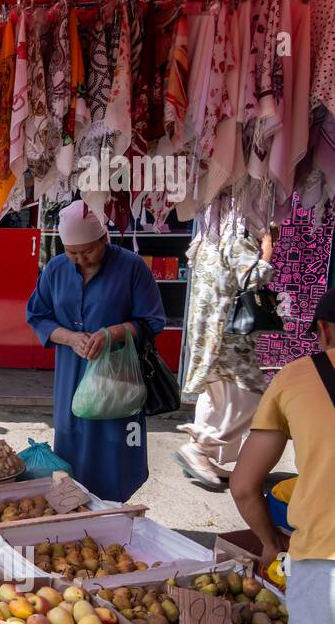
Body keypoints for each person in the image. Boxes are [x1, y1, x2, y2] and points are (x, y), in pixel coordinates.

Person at [229, 287, 335, 624]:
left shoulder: (298, 376)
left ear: (324, 330)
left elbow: (244, 485)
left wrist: (271, 544)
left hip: (325, 558)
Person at [26, 200, 166, 502]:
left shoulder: (131, 267)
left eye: (87, 251)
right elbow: (37, 315)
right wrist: (71, 338)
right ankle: (72, 511)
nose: (79, 260)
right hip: (71, 374)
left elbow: (152, 321)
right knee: (71, 437)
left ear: (104, 239)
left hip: (119, 377)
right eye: (72, 252)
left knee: (114, 446)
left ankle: (114, 512)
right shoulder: (56, 269)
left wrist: (110, 334)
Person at [176, 218, 276, 488]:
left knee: (217, 397)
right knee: (250, 398)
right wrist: (268, 248)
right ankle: (200, 449)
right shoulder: (236, 238)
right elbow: (254, 277)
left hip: (208, 334)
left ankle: (202, 457)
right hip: (228, 337)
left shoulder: (209, 238)